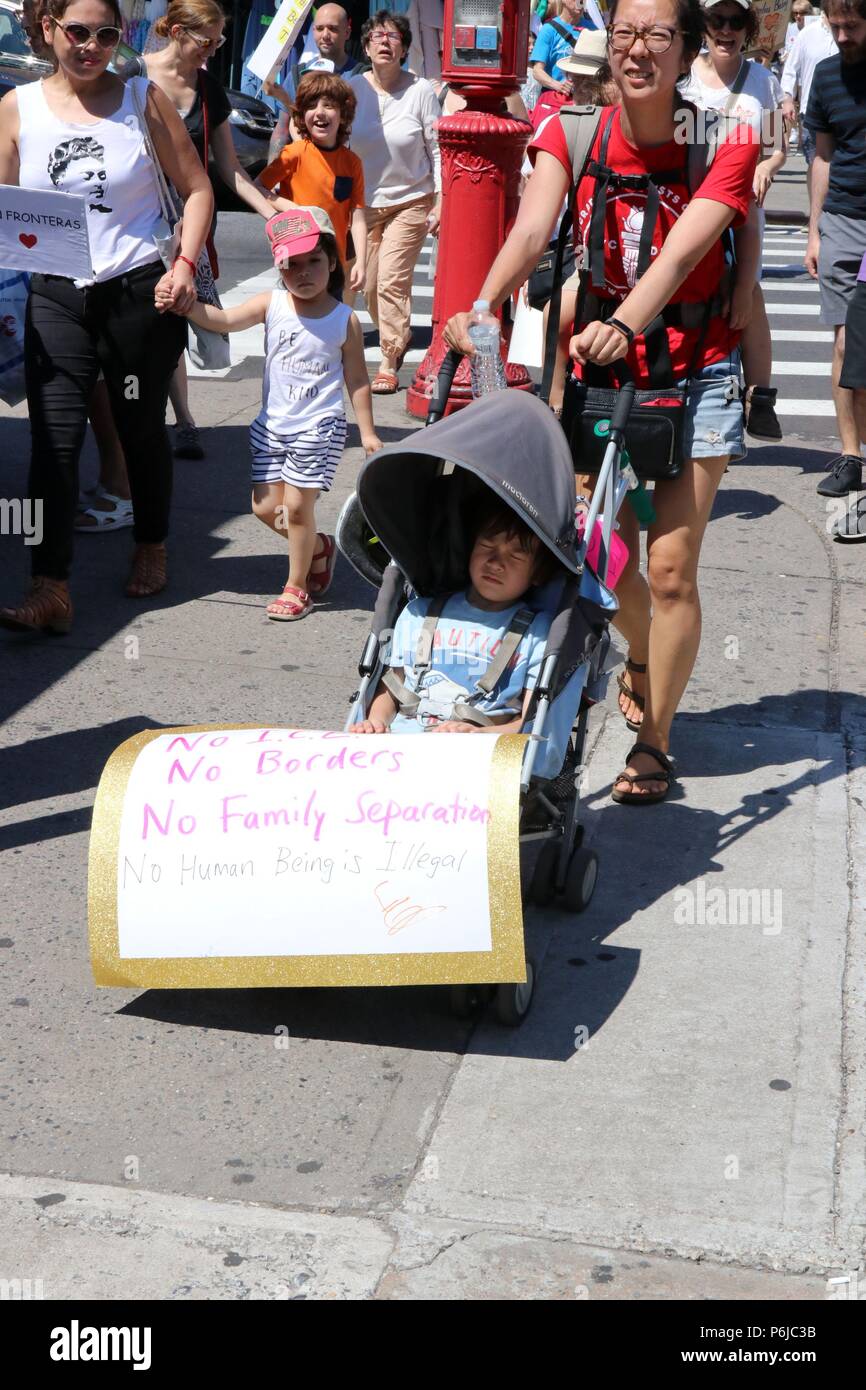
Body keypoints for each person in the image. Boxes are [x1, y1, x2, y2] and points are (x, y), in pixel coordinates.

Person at [445, 0, 759, 804]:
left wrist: (624, 318)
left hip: (697, 368)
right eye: (623, 34)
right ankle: (645, 656)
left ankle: (654, 741)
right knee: (608, 569)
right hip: (604, 372)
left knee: (670, 568)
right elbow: (530, 228)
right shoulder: (569, 131)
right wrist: (484, 303)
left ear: (687, 49)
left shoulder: (725, 137)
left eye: (657, 35)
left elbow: (691, 240)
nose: (637, 49)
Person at [0, 0, 212, 633]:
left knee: (138, 424)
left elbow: (199, 189)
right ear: (46, 29)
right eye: (77, 32)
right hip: (57, 295)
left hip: (137, 292)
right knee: (52, 442)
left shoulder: (143, 101)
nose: (91, 45)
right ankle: (49, 585)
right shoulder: (17, 109)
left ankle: (151, 541)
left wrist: (183, 267)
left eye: (106, 34)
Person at [163, 208, 381, 620]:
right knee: (266, 508)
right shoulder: (273, 304)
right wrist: (186, 306)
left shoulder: (343, 320)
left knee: (298, 508)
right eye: (292, 265)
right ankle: (316, 547)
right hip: (272, 426)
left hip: (319, 426)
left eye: (314, 261)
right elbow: (224, 320)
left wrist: (366, 432)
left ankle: (297, 587)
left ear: (332, 262)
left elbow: (357, 379)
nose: (304, 273)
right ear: (279, 270)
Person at [123, 0, 282, 461]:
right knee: (138, 326)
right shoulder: (131, 77)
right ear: (175, 31)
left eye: (218, 42)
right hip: (133, 221)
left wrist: (270, 212)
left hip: (187, 226)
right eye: (204, 41)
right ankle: (138, 415)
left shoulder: (209, 88)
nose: (211, 51)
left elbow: (229, 170)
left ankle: (182, 419)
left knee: (173, 318)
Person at [350, 499, 555, 734]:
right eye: (487, 546)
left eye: (515, 557)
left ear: (538, 573)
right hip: (403, 744)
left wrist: (478, 734)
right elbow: (392, 690)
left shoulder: (537, 632)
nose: (496, 563)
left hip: (480, 750)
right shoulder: (419, 612)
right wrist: (377, 721)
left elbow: (530, 722)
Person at [679, 0, 787, 441]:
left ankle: (759, 398)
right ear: (703, 26)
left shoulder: (763, 81)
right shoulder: (683, 79)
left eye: (735, 21)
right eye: (716, 20)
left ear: (748, 28)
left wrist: (766, 166)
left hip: (741, 211)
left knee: (746, 292)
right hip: (688, 207)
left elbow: (778, 145)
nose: (726, 30)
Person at [348, 11, 441, 394]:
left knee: (391, 279)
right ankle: (397, 335)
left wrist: (441, 201)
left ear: (404, 48)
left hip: (412, 198)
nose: (385, 42)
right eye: (378, 36)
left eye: (393, 37)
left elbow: (437, 150)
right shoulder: (352, 88)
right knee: (367, 284)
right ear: (367, 45)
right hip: (364, 203)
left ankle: (389, 358)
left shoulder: (420, 92)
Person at [805, 0, 866, 499]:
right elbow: (822, 155)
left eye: (852, 26)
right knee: (847, 343)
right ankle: (851, 456)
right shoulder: (825, 77)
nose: (842, 35)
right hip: (843, 219)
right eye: (836, 25)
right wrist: (814, 229)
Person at [256, 72, 367, 291]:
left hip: (333, 263)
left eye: (329, 105)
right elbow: (257, 187)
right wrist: (288, 207)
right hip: (295, 258)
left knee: (331, 320)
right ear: (301, 115)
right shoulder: (295, 153)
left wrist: (361, 262)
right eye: (311, 106)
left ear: (343, 115)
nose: (319, 112)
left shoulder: (352, 162)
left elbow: (358, 216)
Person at [265, 4, 364, 159]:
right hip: (304, 175)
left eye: (333, 28)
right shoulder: (297, 74)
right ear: (313, 31)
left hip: (346, 173)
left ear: (347, 32)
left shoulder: (362, 76)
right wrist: (272, 178)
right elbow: (282, 130)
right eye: (320, 28)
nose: (325, 35)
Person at [781, 3, 838, 195]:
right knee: (816, 164)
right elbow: (790, 69)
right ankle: (816, 215)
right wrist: (787, 98)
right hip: (811, 112)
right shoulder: (808, 34)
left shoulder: (855, 31)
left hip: (844, 111)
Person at [529, 0, 597, 130]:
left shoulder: (593, 30)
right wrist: (559, 86)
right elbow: (537, 71)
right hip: (555, 103)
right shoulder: (548, 30)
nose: (581, 2)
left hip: (585, 103)